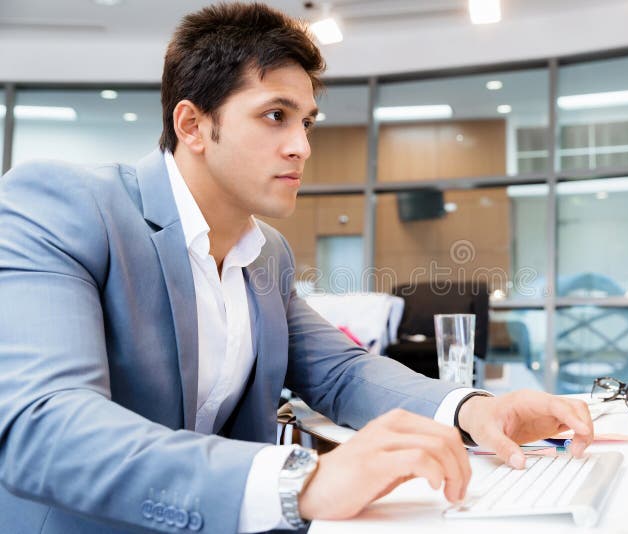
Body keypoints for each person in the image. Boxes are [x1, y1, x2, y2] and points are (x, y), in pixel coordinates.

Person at [0, 3, 593, 533]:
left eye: (306, 121)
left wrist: (472, 408)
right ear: (192, 125)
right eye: (275, 116)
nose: (301, 146)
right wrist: (298, 481)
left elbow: (340, 374)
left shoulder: (268, 254)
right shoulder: (66, 206)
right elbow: (42, 425)